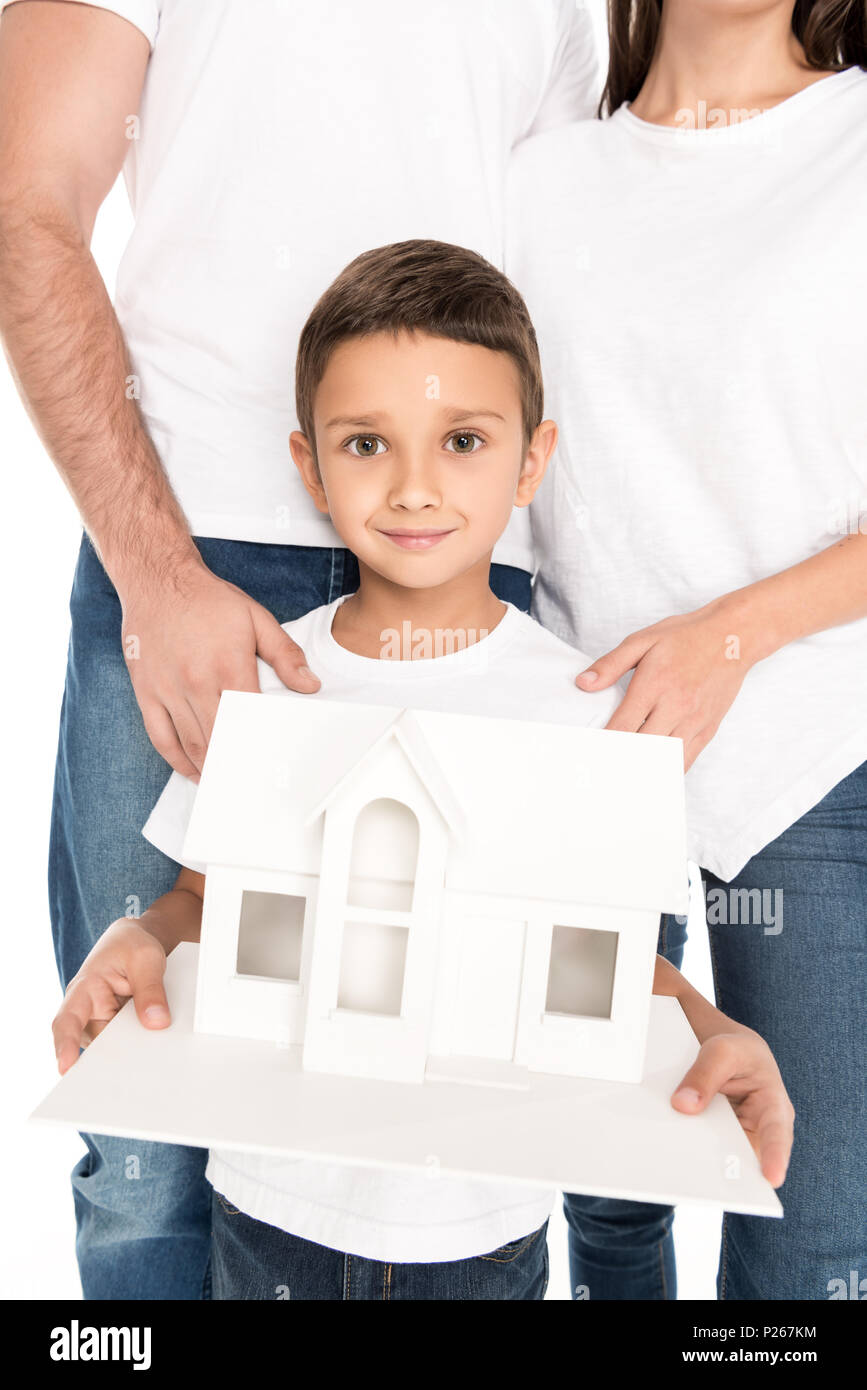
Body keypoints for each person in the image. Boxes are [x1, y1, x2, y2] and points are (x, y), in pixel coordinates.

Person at [53, 239, 794, 1301]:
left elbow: (602, 957)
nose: (412, 487)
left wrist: (713, 1029)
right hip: (271, 1215)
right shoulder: (268, 684)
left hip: (482, 1234)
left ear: (531, 461)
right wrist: (143, 935)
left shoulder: (587, 712)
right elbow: (204, 899)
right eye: (367, 444)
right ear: (310, 465)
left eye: (462, 441)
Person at [0, 0, 601, 1298]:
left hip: (479, 569)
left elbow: (581, 255)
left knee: (462, 1123)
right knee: (144, 1132)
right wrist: (160, 580)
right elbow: (26, 201)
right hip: (192, 550)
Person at [504, 0, 867, 1300]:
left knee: (812, 1243)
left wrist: (730, 635)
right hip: (590, 757)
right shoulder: (535, 182)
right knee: (606, 1212)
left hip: (819, 754)